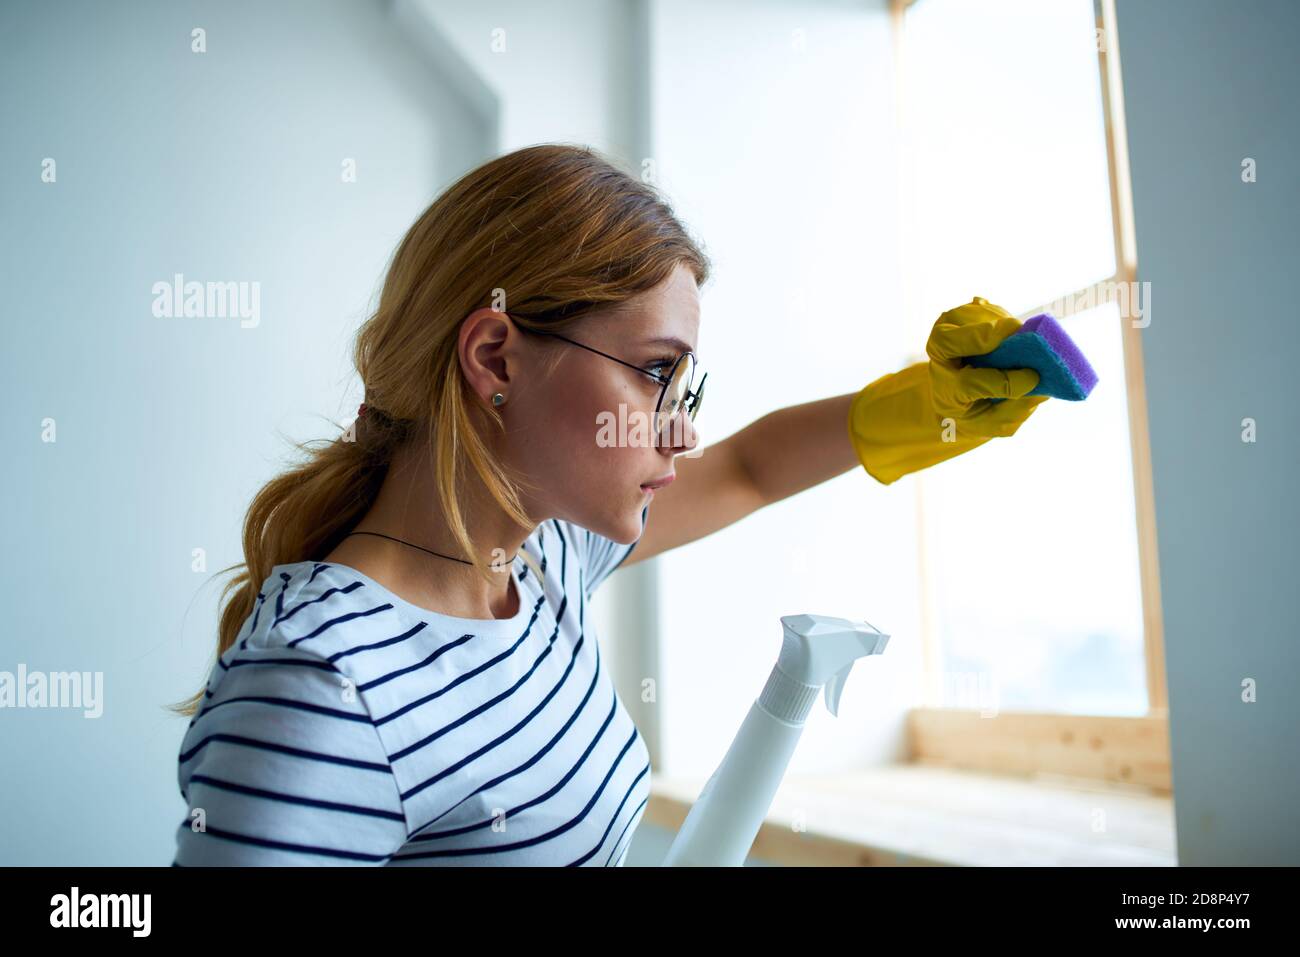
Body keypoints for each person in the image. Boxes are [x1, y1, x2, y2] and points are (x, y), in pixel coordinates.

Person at [167, 143, 1046, 866]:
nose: (684, 432)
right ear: (497, 359)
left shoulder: (541, 561)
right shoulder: (326, 688)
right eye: (658, 373)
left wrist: (933, 408)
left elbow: (750, 467)